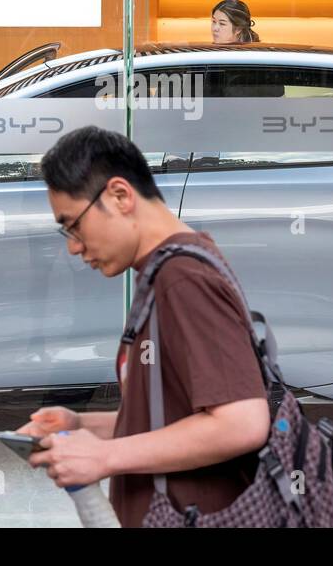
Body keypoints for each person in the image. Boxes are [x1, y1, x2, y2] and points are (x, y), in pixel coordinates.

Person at [17, 126, 269, 527]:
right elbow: (168, 421)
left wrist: (104, 457)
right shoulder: (165, 269)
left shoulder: (183, 279)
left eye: (74, 224)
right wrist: (82, 426)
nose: (73, 246)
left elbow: (243, 422)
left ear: (120, 196)